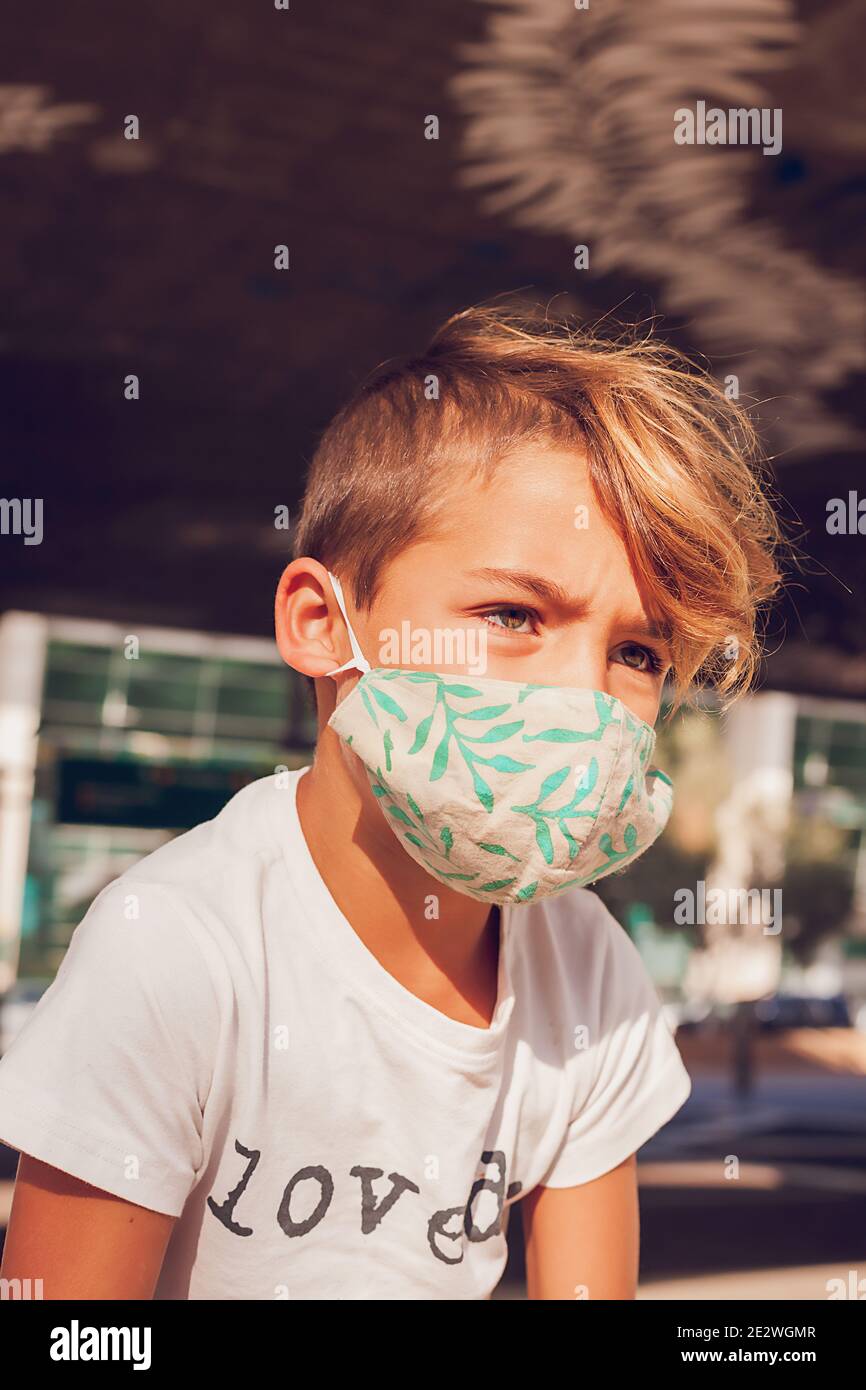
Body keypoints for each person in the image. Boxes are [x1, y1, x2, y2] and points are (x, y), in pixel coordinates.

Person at [0, 302, 782, 1299]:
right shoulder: (177, 949)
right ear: (322, 624)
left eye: (635, 653)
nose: (584, 697)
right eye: (512, 614)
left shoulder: (586, 971)